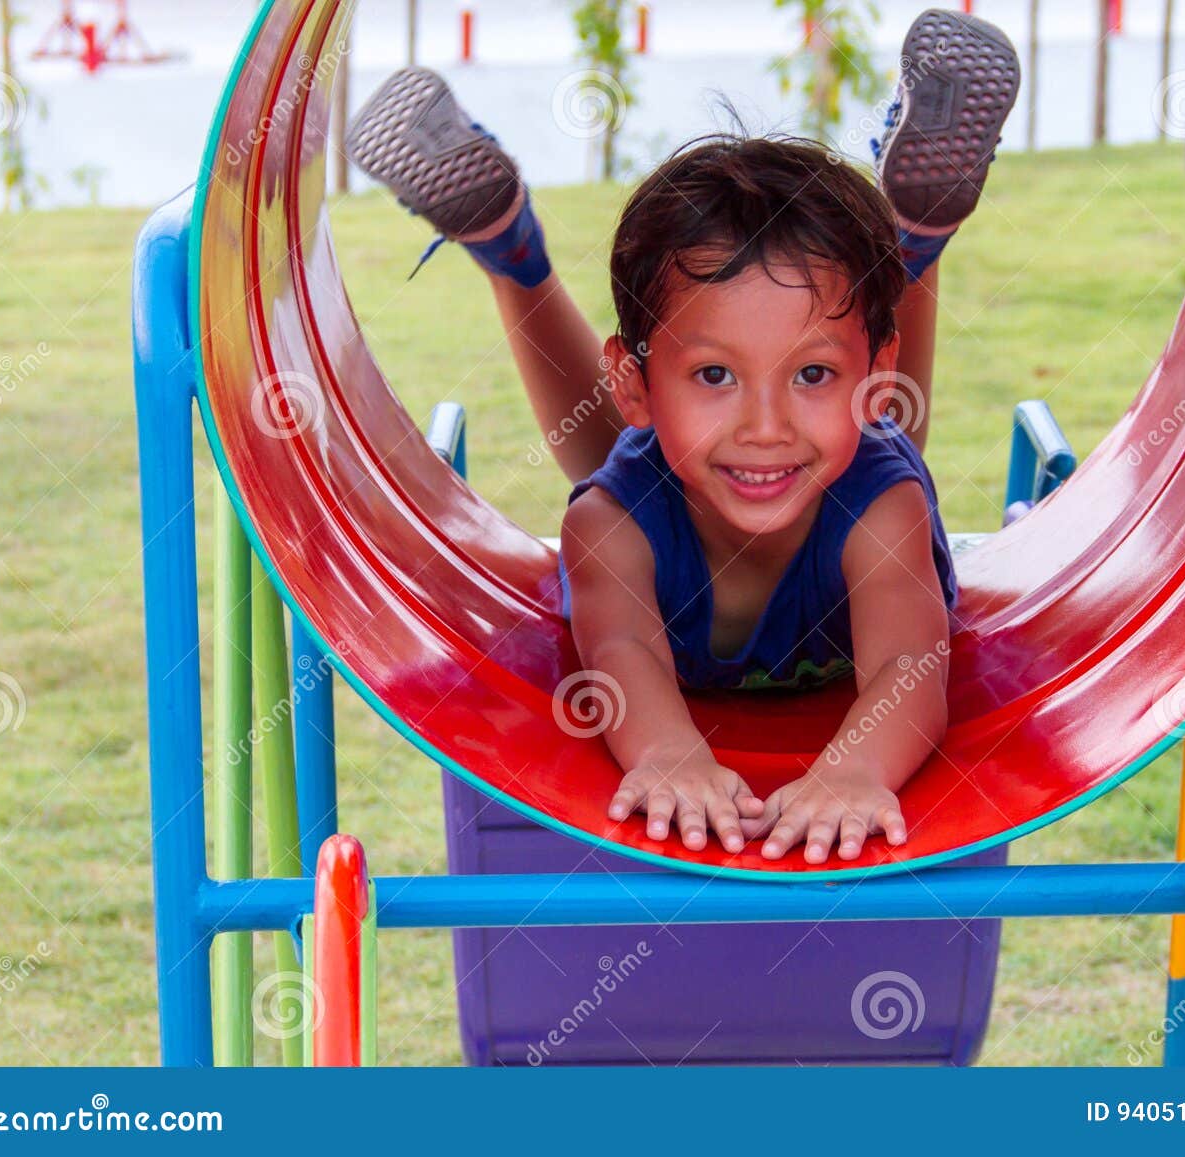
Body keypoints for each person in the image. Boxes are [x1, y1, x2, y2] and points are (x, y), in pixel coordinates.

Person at [348, 7, 1019, 863]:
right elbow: (619, 646)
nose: (765, 425)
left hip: (835, 455)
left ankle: (905, 248)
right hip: (664, 470)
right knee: (645, 469)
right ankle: (900, 249)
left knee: (869, 429)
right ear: (628, 381)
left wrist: (855, 769)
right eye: (715, 376)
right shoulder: (609, 525)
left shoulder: (877, 506)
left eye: (808, 376)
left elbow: (910, 667)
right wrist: (668, 752)